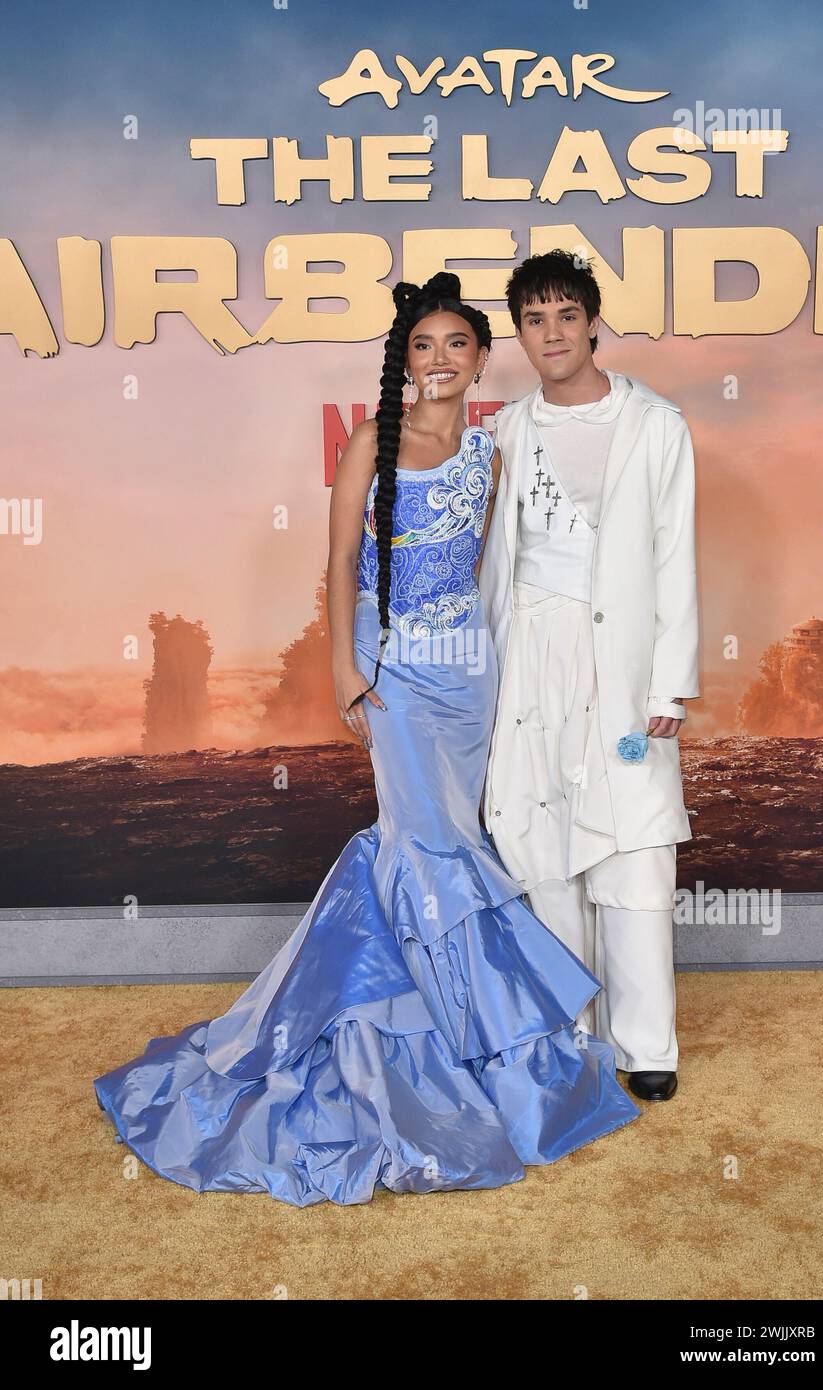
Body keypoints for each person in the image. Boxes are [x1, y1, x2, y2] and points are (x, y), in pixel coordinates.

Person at [93, 272, 640, 1209]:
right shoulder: (370, 444)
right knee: (428, 850)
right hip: (397, 675)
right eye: (422, 346)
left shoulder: (489, 452)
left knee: (451, 847)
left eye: (456, 346)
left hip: (473, 679)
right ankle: (430, 1060)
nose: (438, 360)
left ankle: (453, 1038)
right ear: (405, 359)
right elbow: (342, 560)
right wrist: (349, 670)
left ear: (478, 359)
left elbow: (506, 566)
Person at [478, 250, 701, 1103]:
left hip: (622, 661)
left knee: (635, 843)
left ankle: (646, 1046)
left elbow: (674, 556)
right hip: (528, 651)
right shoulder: (505, 431)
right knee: (540, 840)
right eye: (533, 320)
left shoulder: (656, 424)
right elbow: (494, 564)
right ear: (520, 335)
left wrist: (668, 684)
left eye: (564, 315)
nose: (550, 333)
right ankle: (566, 1031)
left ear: (592, 320)